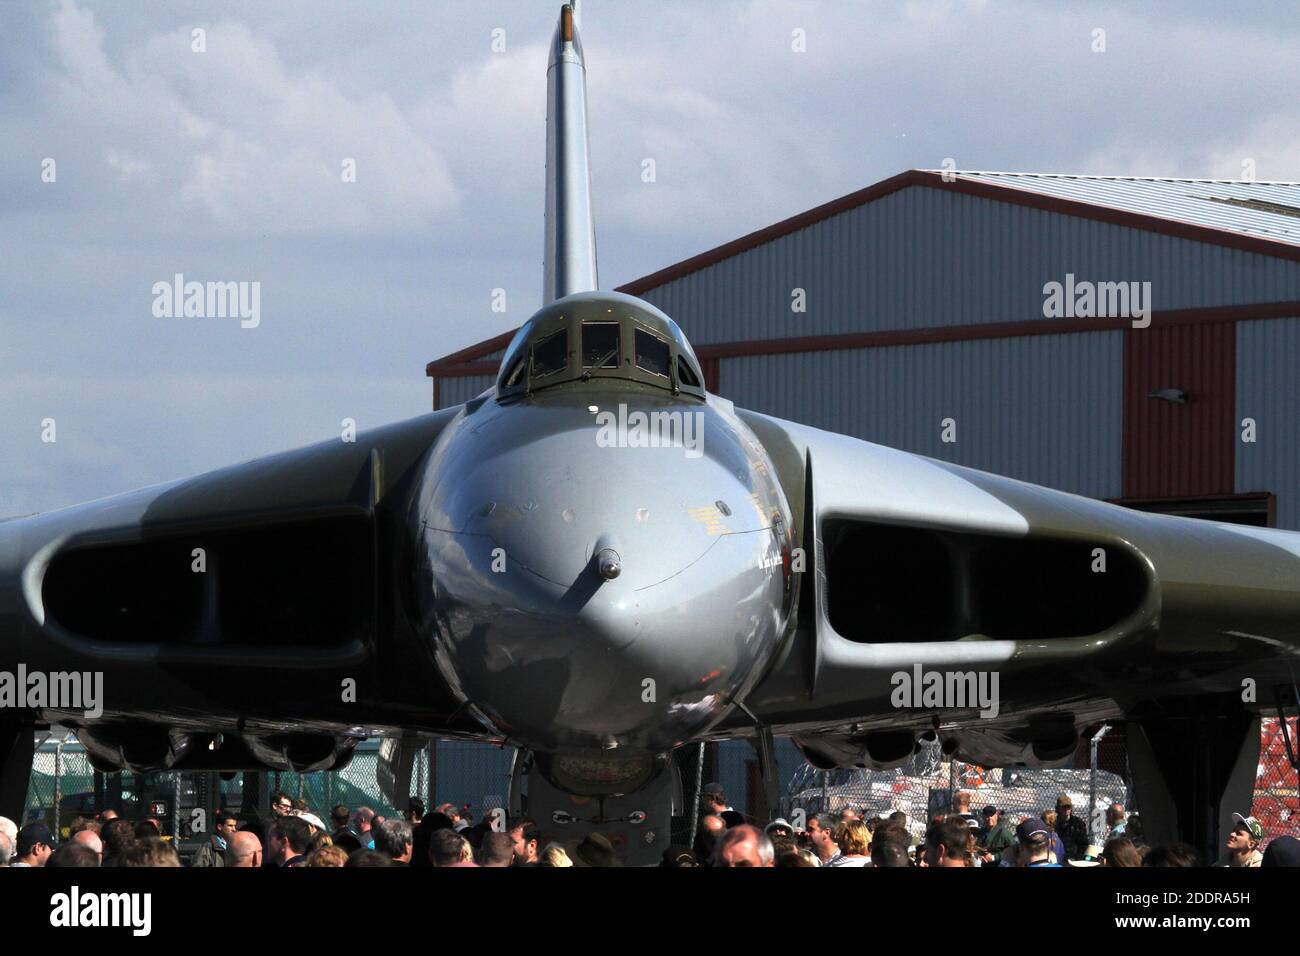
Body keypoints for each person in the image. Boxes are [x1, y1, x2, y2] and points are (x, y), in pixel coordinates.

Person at [1055, 795, 1089, 861]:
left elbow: (1083, 844)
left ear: (1071, 809)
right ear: (1058, 808)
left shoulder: (1078, 823)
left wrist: (1077, 858)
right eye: (1064, 807)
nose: (1066, 809)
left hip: (1074, 858)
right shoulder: (1054, 823)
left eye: (1068, 807)